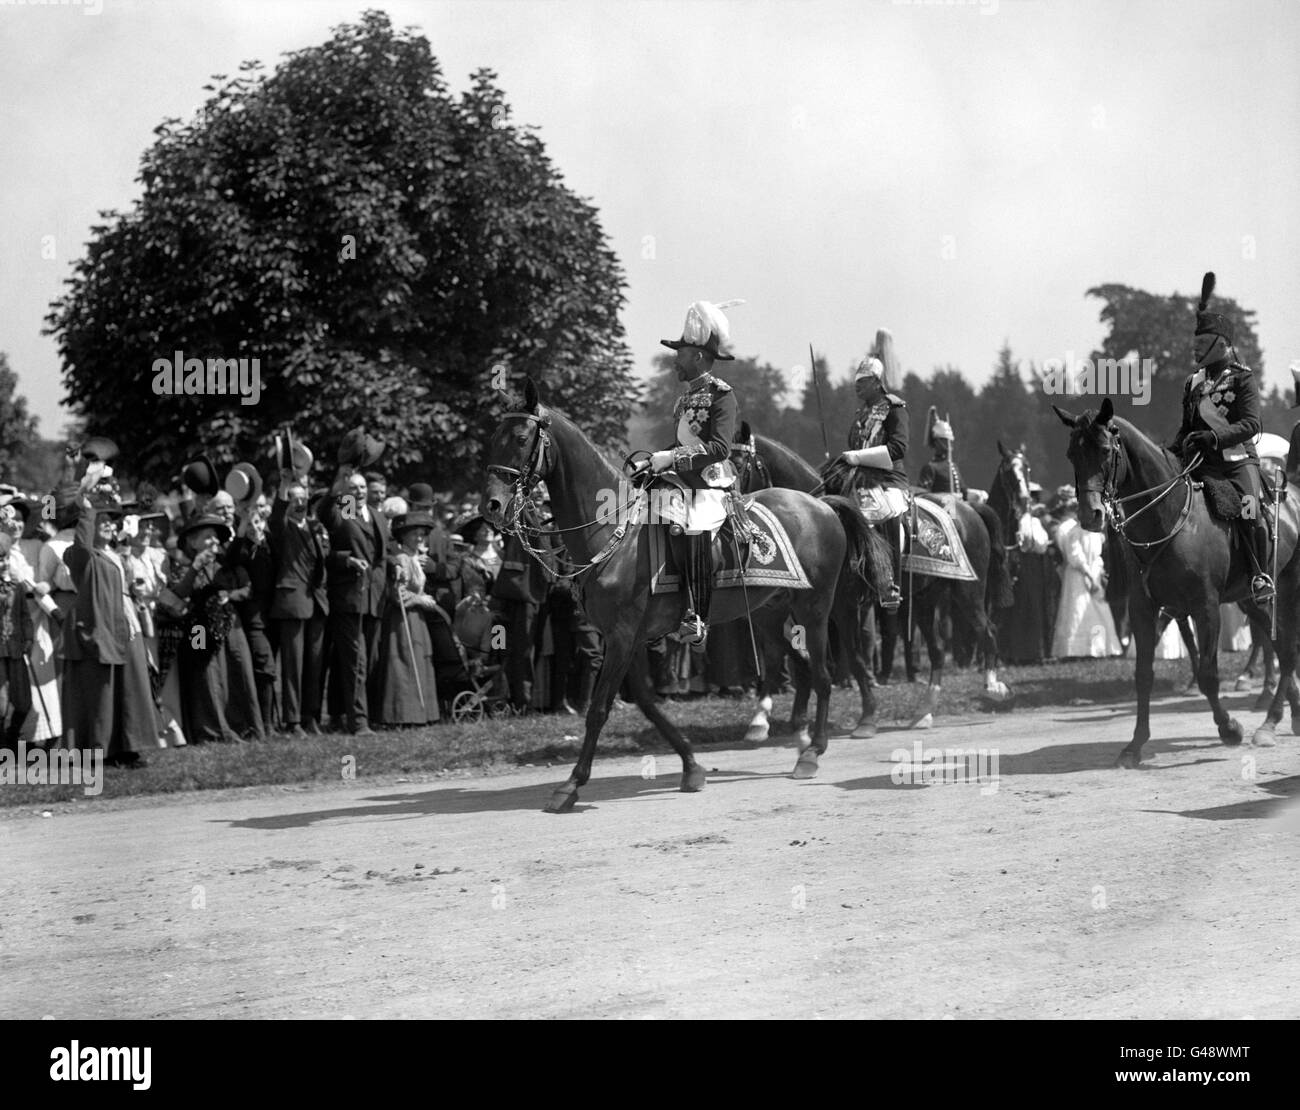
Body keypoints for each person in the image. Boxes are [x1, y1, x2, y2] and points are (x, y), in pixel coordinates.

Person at [1170, 271, 1271, 604]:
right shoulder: (1193, 383)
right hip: (1202, 463)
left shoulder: (1243, 379)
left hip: (1238, 461)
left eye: (1202, 343)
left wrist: (1212, 438)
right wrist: (1171, 451)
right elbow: (1187, 427)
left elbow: (1251, 424)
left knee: (1249, 512)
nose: (1195, 348)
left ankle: (1258, 575)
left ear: (1223, 344)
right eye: (1195, 342)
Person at [647, 299, 743, 645]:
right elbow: (676, 443)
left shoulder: (722, 396)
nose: (675, 360)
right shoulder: (684, 399)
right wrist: (654, 459)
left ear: (698, 357)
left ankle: (697, 616)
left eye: (681, 353)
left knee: (696, 524)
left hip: (707, 485)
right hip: (677, 481)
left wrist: (672, 459)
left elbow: (720, 449)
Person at [62, 474, 160, 765]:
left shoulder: (114, 555)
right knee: (101, 694)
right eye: (101, 519)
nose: (108, 522)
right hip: (97, 632)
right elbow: (82, 543)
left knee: (129, 690)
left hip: (124, 627)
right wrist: (89, 504)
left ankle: (127, 747)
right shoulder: (80, 555)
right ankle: (98, 750)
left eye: (110, 519)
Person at [840, 329, 908, 610]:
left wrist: (858, 457)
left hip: (889, 481)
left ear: (877, 382)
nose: (857, 386)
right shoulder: (860, 416)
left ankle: (889, 582)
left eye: (863, 381)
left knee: (888, 508)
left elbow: (898, 448)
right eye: (857, 381)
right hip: (859, 481)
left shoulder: (895, 408)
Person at [270, 472, 330, 737]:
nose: (300, 503)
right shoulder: (283, 527)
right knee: (293, 665)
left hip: (316, 602)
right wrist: (284, 487)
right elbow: (276, 515)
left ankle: (311, 716)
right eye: (294, 499)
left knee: (314, 663)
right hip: (292, 601)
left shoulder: (315, 527)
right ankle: (292, 720)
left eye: (304, 498)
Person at [375, 512, 441, 725]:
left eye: (422, 534)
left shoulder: (415, 558)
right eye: (414, 535)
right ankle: (402, 714)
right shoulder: (401, 559)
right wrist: (420, 599)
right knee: (404, 661)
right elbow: (397, 594)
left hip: (417, 620)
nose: (419, 538)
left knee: (420, 660)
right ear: (403, 537)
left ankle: (422, 713)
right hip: (403, 620)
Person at [1050, 486, 1122, 659]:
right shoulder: (1073, 533)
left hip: (1094, 572)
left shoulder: (1095, 534)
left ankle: (1100, 647)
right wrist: (1088, 574)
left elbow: (1097, 556)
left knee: (1099, 608)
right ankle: (1076, 650)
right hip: (1077, 575)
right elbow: (1075, 556)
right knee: (1078, 607)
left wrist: (1097, 573)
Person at [918, 407, 962, 496]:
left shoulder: (953, 466)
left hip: (958, 507)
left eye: (950, 441)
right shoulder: (930, 468)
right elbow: (923, 495)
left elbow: (963, 492)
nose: (949, 445)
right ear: (938, 443)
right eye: (946, 441)